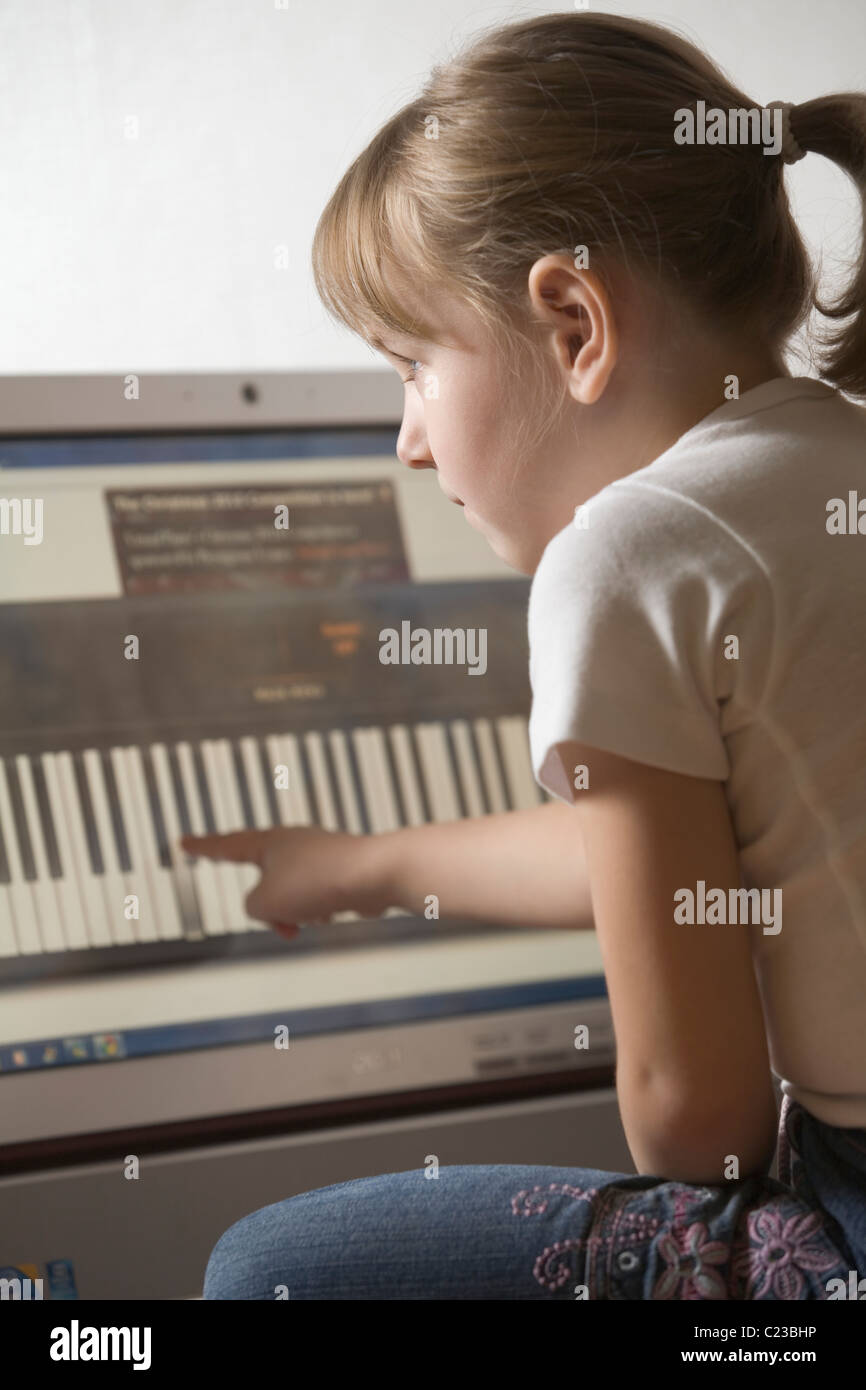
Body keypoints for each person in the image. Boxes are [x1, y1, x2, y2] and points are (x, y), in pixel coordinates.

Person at [189, 13, 866, 1299]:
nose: (409, 442)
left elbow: (696, 1123)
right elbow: (700, 851)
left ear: (569, 322)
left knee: (264, 1267)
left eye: (410, 369)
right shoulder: (833, 465)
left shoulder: (627, 554)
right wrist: (360, 865)